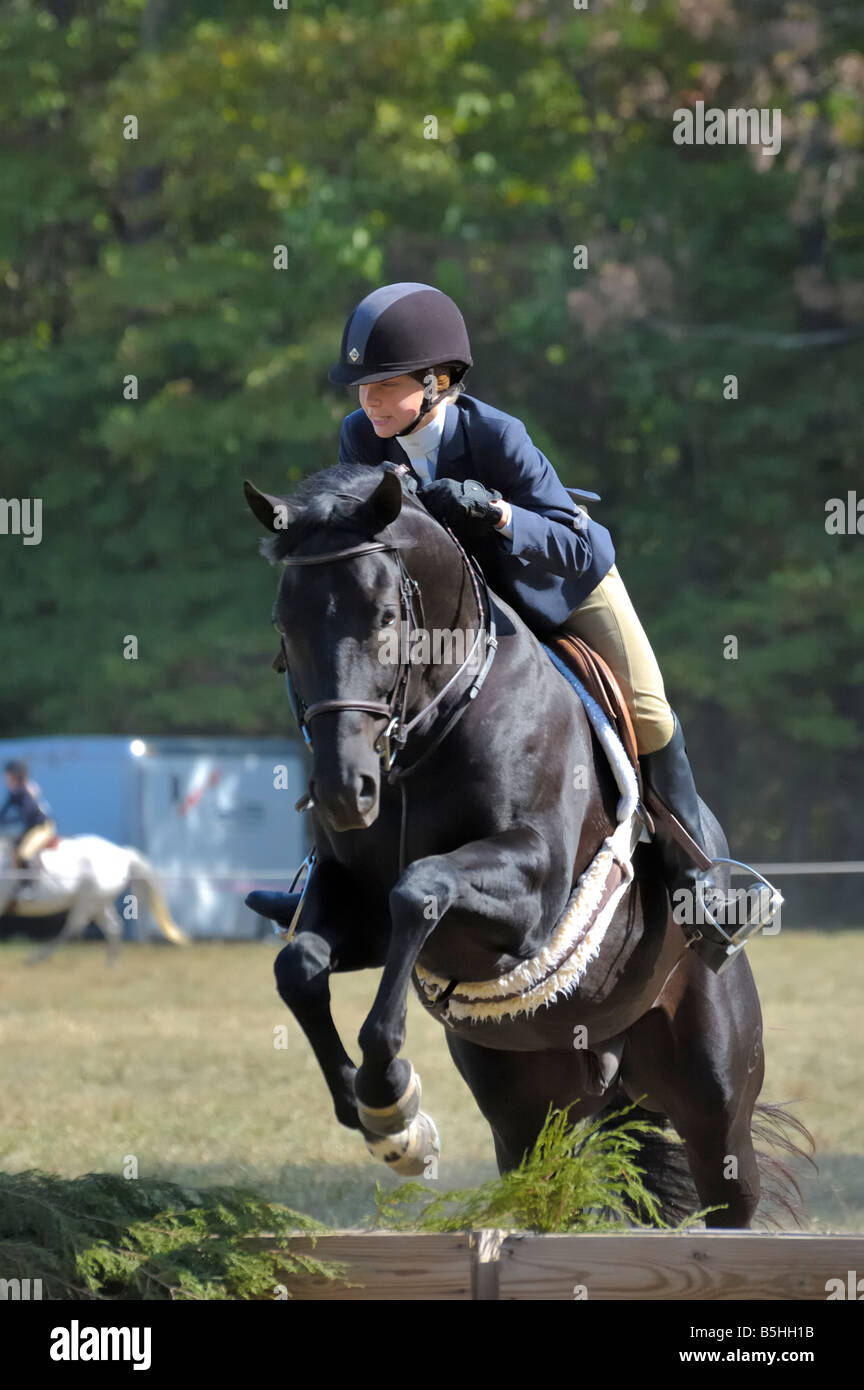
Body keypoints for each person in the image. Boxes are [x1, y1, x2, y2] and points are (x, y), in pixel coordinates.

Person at [0, 759, 56, 887]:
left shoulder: (25, 791)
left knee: (24, 853)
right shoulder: (15, 791)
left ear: (16, 776)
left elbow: (27, 814)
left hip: (42, 827)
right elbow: (4, 812)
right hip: (30, 827)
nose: (6, 778)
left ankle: (28, 887)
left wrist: (10, 822)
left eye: (8, 775)